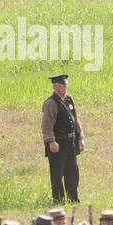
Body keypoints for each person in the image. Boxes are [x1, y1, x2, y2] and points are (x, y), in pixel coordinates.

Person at [41, 74, 83, 203]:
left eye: (65, 85)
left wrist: (80, 138)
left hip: (70, 142)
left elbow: (75, 119)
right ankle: (58, 200)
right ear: (55, 86)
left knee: (72, 172)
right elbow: (47, 124)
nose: (64, 87)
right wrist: (51, 141)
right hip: (58, 142)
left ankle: (73, 199)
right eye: (61, 85)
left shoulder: (68, 100)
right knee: (57, 173)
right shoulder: (51, 103)